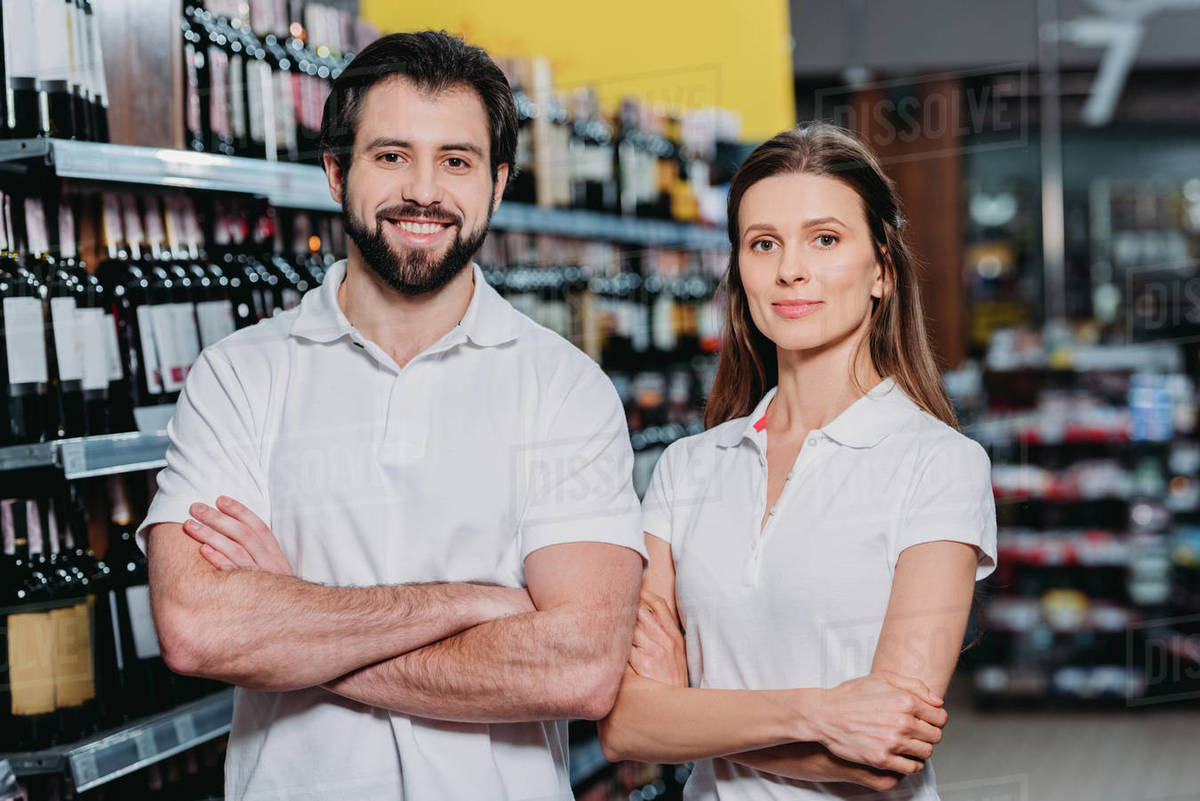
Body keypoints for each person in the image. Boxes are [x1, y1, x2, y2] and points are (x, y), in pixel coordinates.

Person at [139, 31, 646, 801]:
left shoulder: (564, 389)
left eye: (456, 160)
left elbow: (577, 668)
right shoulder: (241, 375)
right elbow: (198, 626)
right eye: (391, 155)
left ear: (498, 182)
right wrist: (471, 601)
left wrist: (297, 621)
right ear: (336, 171)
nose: (424, 190)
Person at [598, 122, 998, 800]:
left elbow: (884, 753)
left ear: (882, 270)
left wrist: (693, 705)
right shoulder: (688, 467)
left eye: (825, 238)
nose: (790, 268)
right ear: (741, 271)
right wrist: (819, 713)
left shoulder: (940, 464)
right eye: (763, 243)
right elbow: (627, 724)